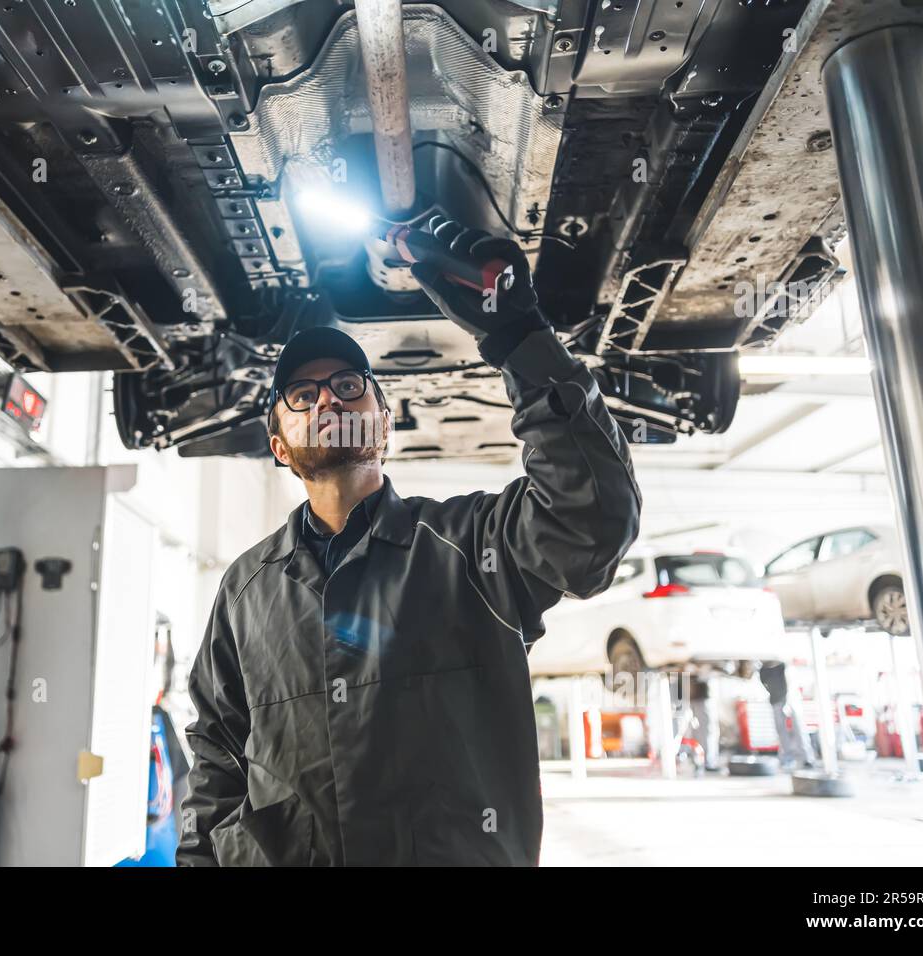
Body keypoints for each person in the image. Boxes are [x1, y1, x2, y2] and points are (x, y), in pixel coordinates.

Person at [176, 217, 642, 866]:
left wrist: (518, 337)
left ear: (384, 424)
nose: (327, 403)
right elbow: (216, 753)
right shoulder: (246, 590)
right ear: (279, 445)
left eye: (347, 386)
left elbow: (592, 522)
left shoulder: (471, 548)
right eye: (302, 394)